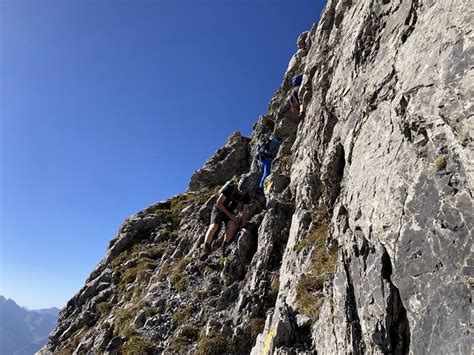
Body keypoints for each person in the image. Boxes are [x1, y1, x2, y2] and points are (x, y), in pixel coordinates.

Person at [200, 176, 251, 259]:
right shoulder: (230, 187)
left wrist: (243, 226)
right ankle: (205, 249)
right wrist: (231, 216)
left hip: (229, 211)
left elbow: (245, 211)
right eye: (240, 190)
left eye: (243, 191)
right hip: (219, 208)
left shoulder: (246, 195)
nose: (241, 192)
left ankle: (224, 247)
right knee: (214, 226)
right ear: (238, 185)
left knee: (231, 225)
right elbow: (219, 203)